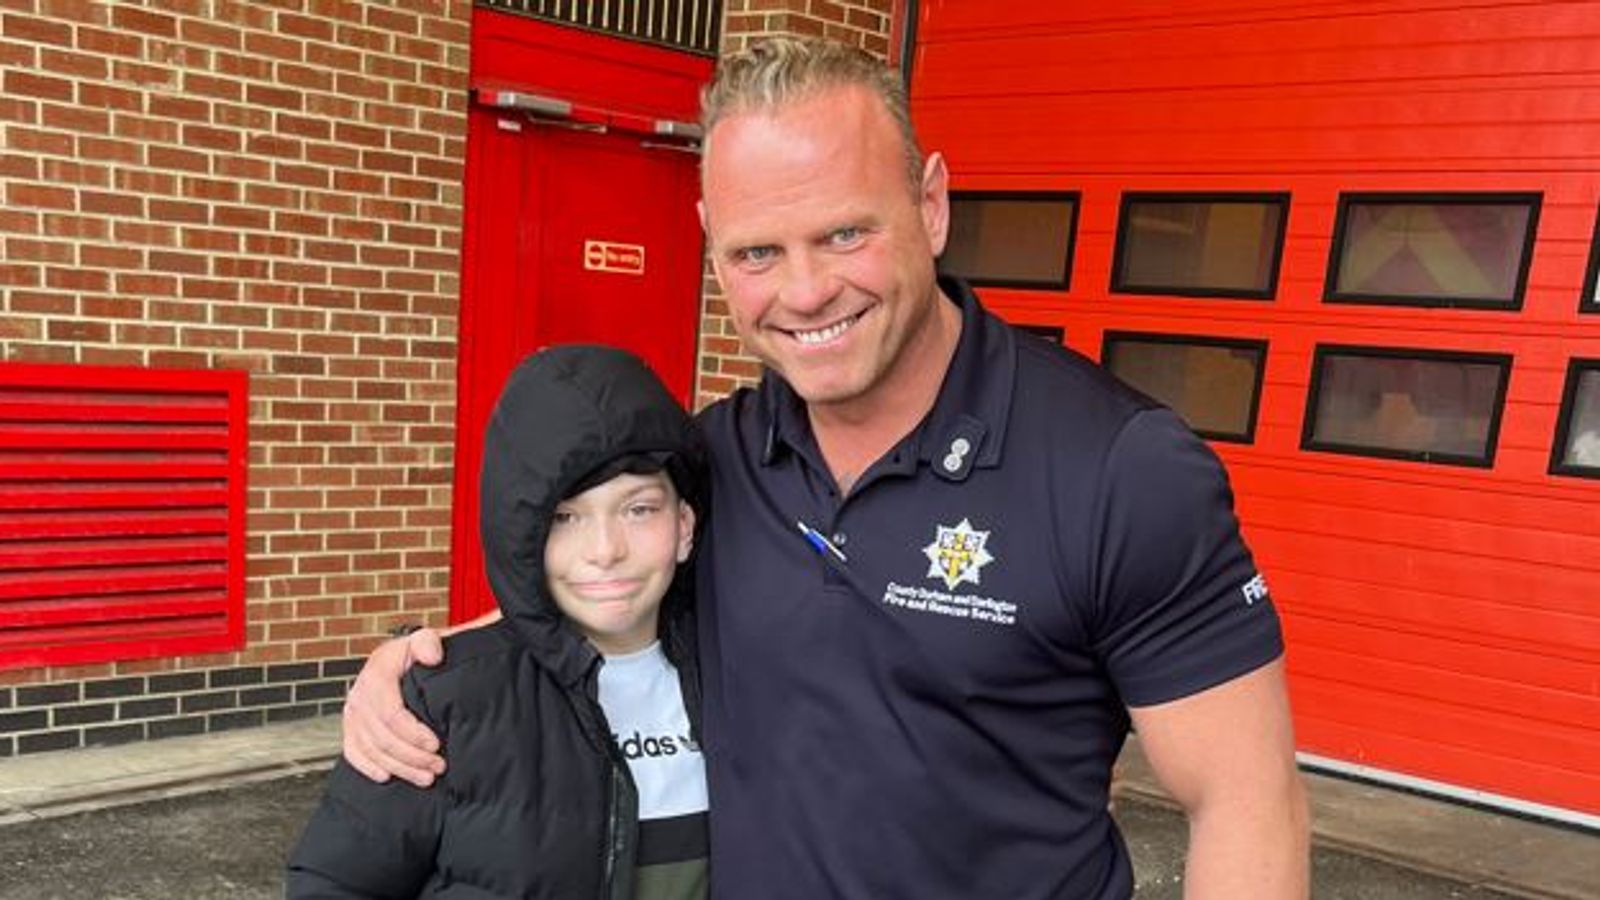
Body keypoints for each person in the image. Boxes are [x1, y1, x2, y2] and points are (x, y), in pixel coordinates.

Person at [342, 38, 1310, 899]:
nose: (805, 292)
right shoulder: (714, 460)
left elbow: (1244, 803)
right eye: (757, 251)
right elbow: (593, 581)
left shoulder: (1118, 469)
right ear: (709, 246)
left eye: (846, 233)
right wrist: (419, 666)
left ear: (930, 205)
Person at [287, 345, 710, 899]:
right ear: (521, 535)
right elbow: (333, 886)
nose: (606, 550)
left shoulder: (740, 678)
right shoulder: (445, 703)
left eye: (639, 509)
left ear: (683, 526)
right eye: (565, 517)